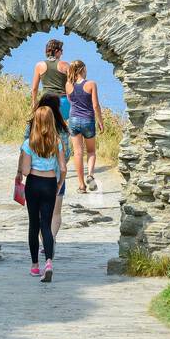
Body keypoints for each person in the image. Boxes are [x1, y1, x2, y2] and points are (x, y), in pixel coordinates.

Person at [17, 104, 67, 282]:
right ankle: (49, 262)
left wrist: (25, 162)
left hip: (34, 183)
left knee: (34, 225)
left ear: (36, 122)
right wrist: (59, 183)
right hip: (50, 183)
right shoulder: (57, 142)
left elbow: (25, 171)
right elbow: (63, 167)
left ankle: (35, 266)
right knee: (46, 225)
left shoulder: (28, 143)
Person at [25, 94, 71, 243]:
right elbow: (67, 154)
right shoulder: (62, 129)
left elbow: (26, 148)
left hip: (35, 176)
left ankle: (45, 241)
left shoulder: (32, 126)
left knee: (39, 215)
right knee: (55, 213)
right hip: (56, 176)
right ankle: (50, 240)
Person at [65, 59, 103, 193]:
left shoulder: (68, 85)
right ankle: (90, 175)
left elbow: (71, 102)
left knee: (78, 153)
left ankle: (81, 186)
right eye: (85, 69)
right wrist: (100, 121)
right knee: (91, 151)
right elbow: (95, 105)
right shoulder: (91, 84)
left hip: (73, 120)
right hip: (88, 120)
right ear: (82, 69)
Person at [31, 38, 71, 121]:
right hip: (63, 102)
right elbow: (71, 87)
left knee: (46, 128)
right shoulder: (66, 65)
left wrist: (34, 103)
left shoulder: (39, 65)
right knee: (62, 129)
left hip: (46, 102)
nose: (62, 53)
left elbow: (34, 88)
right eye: (61, 50)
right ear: (56, 51)